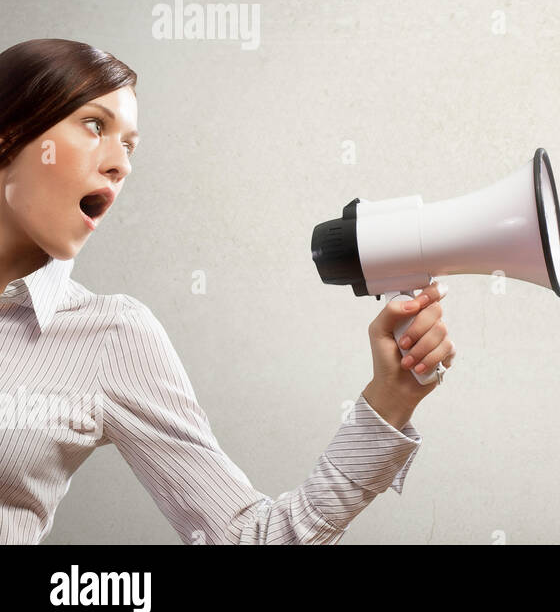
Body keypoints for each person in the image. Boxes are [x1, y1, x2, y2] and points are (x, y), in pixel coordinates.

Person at [0, 38, 457, 544]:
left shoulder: (109, 337)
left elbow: (249, 539)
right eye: (94, 125)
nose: (120, 165)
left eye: (129, 146)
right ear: (9, 134)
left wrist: (390, 400)